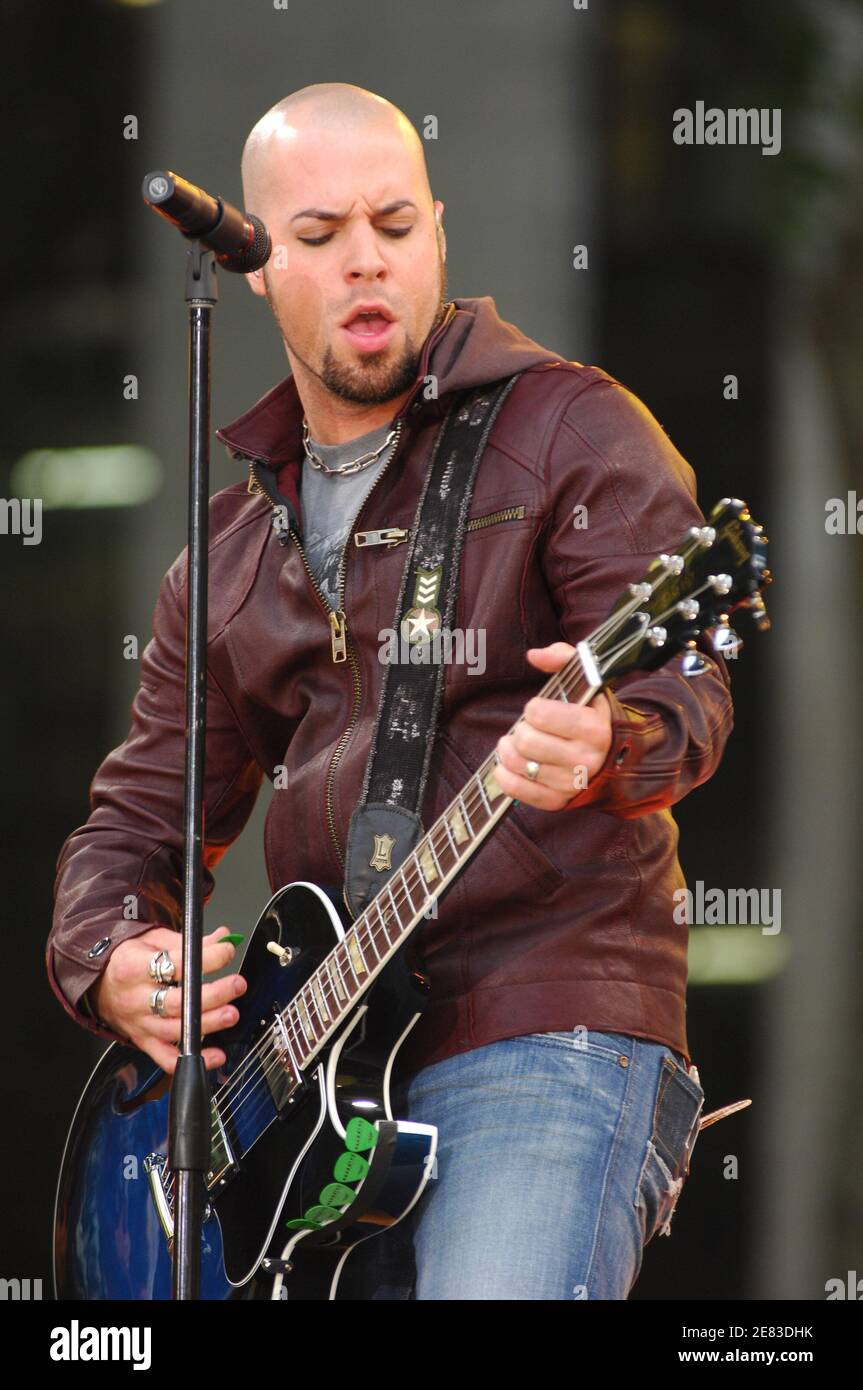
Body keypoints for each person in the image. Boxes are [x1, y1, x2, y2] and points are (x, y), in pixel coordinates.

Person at [47, 83, 731, 1300]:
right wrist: (109, 956)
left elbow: (688, 684)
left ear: (439, 234)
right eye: (318, 237)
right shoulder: (226, 552)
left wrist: (607, 740)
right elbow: (139, 823)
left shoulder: (569, 425)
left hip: (545, 1018)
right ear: (253, 265)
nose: (366, 262)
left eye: (395, 225)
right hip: (314, 1090)